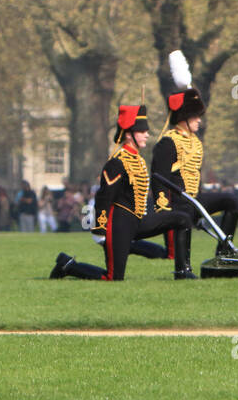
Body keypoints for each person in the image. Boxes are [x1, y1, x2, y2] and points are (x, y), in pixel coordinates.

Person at [50, 102, 195, 281]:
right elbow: (103, 198)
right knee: (113, 278)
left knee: (182, 219)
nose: (147, 135)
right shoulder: (116, 163)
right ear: (129, 135)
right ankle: (68, 266)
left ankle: (183, 271)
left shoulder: (139, 161)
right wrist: (99, 229)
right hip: (118, 225)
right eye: (142, 132)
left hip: (137, 220)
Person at [150, 51, 238, 273]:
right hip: (178, 202)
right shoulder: (168, 143)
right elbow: (158, 177)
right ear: (184, 118)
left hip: (195, 198)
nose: (199, 120)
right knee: (182, 219)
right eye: (195, 117)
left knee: (232, 202)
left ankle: (224, 252)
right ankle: (183, 269)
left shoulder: (195, 141)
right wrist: (163, 207)